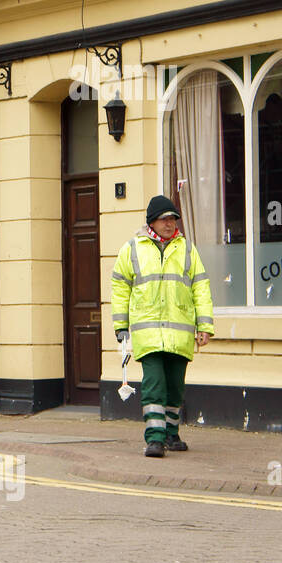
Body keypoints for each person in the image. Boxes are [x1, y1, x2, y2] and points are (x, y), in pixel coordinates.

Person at [111, 195, 214, 458]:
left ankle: (171, 433)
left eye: (172, 219)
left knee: (175, 386)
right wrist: (121, 325)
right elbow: (120, 287)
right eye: (164, 219)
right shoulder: (133, 248)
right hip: (148, 333)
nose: (169, 224)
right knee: (155, 383)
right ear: (151, 222)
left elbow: (200, 287)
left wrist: (205, 325)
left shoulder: (187, 249)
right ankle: (155, 439)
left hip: (179, 332)